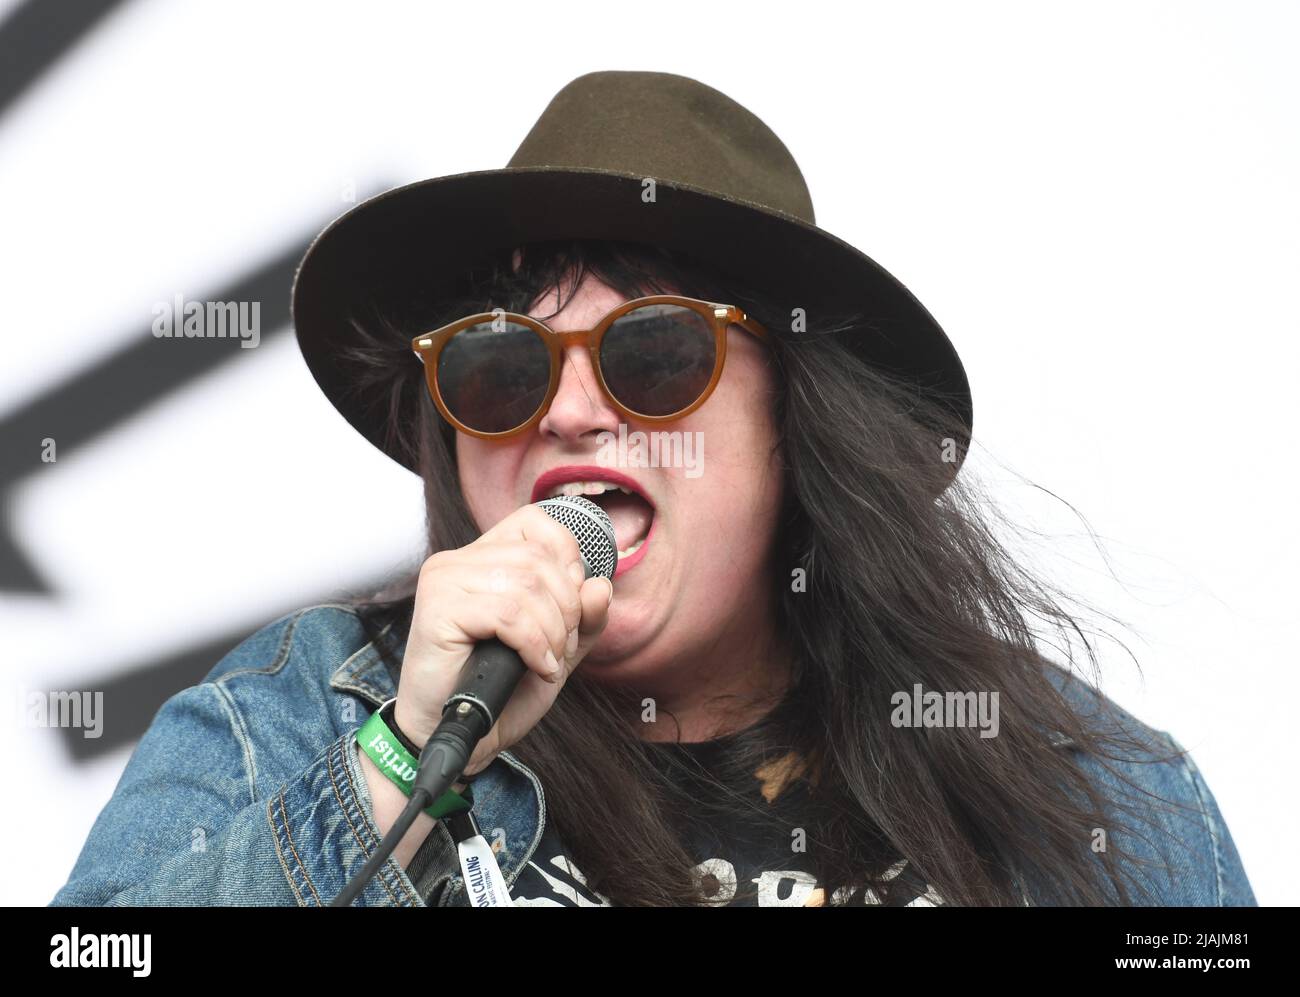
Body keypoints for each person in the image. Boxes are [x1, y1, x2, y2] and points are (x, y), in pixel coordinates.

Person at [51, 71, 1254, 907]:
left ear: (800, 423)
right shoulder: (288, 723)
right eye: (500, 365)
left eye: (656, 355)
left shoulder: (1094, 789)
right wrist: (400, 762)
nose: (569, 410)